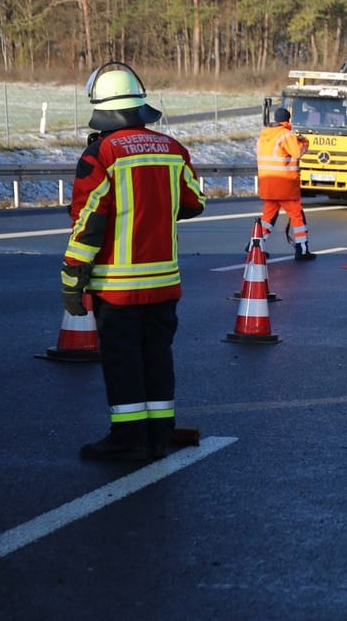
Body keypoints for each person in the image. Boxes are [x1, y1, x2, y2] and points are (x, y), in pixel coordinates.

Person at [63, 61, 206, 461]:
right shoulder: (172, 148)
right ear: (140, 105)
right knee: (157, 354)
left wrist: (73, 276)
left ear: (102, 109)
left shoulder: (101, 154)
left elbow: (89, 222)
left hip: (117, 286)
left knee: (123, 360)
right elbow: (195, 201)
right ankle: (159, 432)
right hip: (164, 282)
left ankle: (127, 438)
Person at [257, 106, 315, 260]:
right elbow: (297, 152)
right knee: (297, 217)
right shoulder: (285, 134)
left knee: (267, 218)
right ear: (288, 120)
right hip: (284, 185)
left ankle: (254, 246)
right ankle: (302, 250)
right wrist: (304, 142)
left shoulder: (264, 135)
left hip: (268, 184)